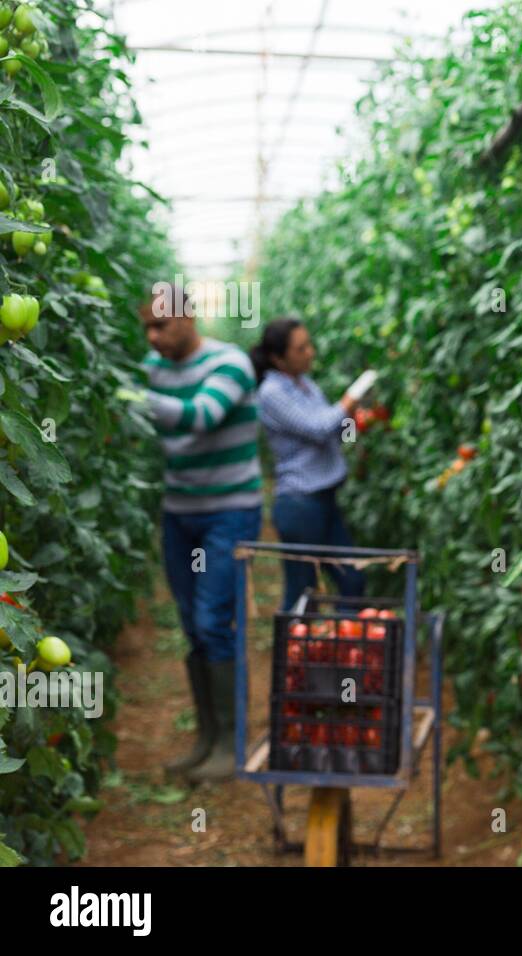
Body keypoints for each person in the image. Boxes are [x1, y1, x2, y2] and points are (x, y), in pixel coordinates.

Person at [141, 282, 263, 784]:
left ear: (188, 317)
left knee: (215, 622)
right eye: (145, 327)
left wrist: (131, 398)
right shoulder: (153, 372)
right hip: (180, 511)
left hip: (229, 511)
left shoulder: (230, 364)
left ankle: (232, 744)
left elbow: (201, 417)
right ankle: (208, 738)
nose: (152, 337)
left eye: (161, 325)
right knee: (192, 624)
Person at [248, 317, 376, 611]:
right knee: (303, 594)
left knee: (352, 580)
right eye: (301, 348)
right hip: (300, 504)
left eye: (309, 345)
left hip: (323, 497)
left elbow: (330, 429)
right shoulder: (272, 393)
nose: (311, 352)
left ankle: (343, 647)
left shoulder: (304, 384)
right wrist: (352, 397)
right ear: (278, 359)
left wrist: (354, 422)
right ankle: (294, 654)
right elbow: (318, 427)